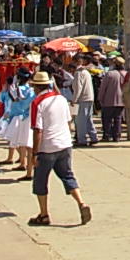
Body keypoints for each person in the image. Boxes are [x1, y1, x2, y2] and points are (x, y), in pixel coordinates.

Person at [28, 71, 93, 227]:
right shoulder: (61, 99)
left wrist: (34, 153)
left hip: (47, 147)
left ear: (36, 87)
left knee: (40, 181)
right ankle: (81, 203)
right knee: (68, 176)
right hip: (64, 143)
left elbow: (38, 130)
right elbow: (68, 121)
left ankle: (44, 214)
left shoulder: (37, 103)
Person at [0, 68, 35, 179]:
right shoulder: (31, 90)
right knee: (26, 143)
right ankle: (26, 165)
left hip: (17, 117)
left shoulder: (14, 89)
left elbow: (5, 100)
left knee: (20, 142)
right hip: (28, 117)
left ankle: (24, 164)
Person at [98, 57, 127, 143]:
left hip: (108, 100)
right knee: (118, 119)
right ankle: (117, 136)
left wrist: (100, 98)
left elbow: (103, 88)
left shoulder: (110, 74)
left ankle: (107, 135)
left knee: (107, 119)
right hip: (121, 100)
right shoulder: (125, 74)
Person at [71, 55, 98, 147]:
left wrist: (74, 100)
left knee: (80, 121)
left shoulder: (78, 73)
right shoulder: (86, 72)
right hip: (89, 98)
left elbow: (78, 88)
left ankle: (82, 140)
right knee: (88, 119)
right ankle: (93, 137)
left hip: (82, 99)